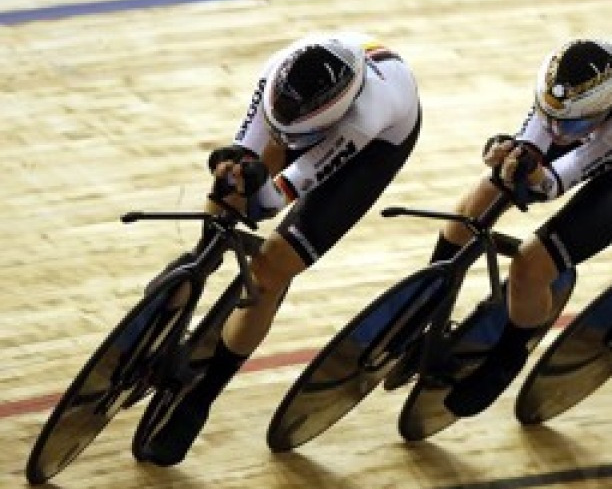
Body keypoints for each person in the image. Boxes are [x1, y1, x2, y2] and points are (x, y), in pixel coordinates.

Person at [140, 31, 422, 465]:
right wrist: (231, 173)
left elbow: (275, 198)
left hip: (372, 151)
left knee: (271, 270)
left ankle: (202, 396)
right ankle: (195, 269)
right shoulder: (276, 69)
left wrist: (258, 190)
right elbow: (242, 153)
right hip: (307, 116)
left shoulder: (364, 119)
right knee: (231, 185)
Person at [428, 37, 612, 417]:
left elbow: (552, 184)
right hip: (606, 119)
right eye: (553, 116)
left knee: (531, 264)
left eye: (568, 124)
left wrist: (532, 169)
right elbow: (539, 134)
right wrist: (510, 150)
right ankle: (428, 297)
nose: (557, 129)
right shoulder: (561, 86)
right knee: (485, 193)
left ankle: (508, 356)